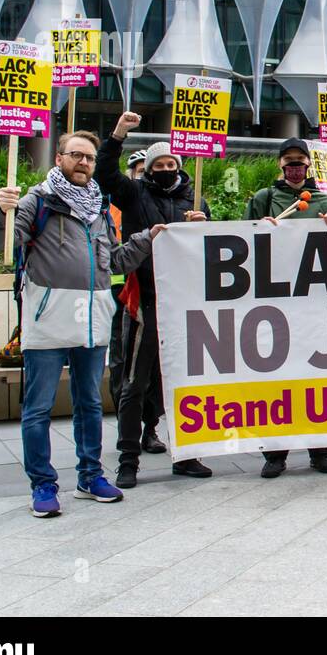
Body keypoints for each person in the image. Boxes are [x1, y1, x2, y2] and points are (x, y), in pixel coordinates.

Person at [0, 131, 162, 517]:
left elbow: (113, 262)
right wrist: (1, 211)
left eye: (90, 158)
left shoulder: (99, 207)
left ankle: (89, 477)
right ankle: (43, 486)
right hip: (48, 321)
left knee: (90, 405)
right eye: (76, 155)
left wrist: (148, 238)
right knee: (38, 408)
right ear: (59, 157)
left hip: (92, 323)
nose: (84, 163)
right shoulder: (36, 200)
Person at [98, 112, 213, 488]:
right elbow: (105, 174)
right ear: (148, 169)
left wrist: (204, 228)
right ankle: (127, 460)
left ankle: (187, 455)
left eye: (172, 164)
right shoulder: (133, 194)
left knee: (183, 381)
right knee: (134, 382)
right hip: (143, 303)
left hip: (182, 305)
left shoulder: (194, 201)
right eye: (159, 165)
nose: (166, 169)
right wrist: (117, 136)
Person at [247, 139, 327, 478]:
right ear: (280, 166)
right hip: (276, 301)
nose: (295, 168)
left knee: (318, 378)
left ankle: (320, 452)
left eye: (300, 162)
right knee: (277, 381)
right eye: (289, 163)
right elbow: (243, 241)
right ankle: (275, 454)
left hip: (315, 302)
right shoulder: (263, 199)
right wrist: (260, 229)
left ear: (308, 166)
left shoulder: (323, 201)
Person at [106, 149, 165, 453]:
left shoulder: (163, 202)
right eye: (139, 170)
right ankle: (126, 426)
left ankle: (150, 428)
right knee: (123, 366)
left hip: (153, 296)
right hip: (120, 295)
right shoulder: (120, 202)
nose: (144, 175)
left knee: (153, 370)